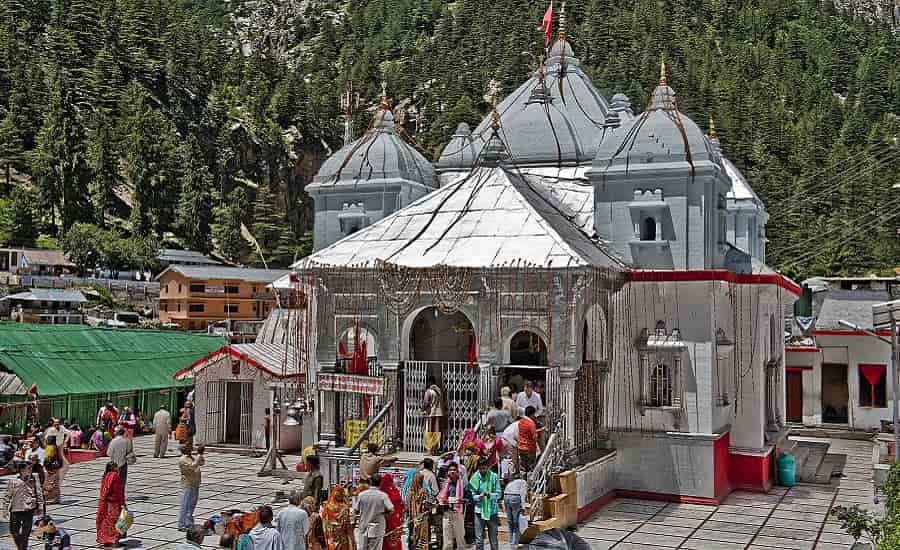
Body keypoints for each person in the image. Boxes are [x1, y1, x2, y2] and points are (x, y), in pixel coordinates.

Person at [3, 461, 44, 550]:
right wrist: (5, 509)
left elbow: (39, 493)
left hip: (29, 509)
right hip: (16, 510)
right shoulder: (13, 481)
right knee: (14, 532)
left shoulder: (34, 478)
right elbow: (7, 496)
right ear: (21, 470)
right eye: (28, 468)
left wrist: (40, 507)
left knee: (26, 534)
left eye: (31, 468)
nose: (30, 470)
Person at [354, 475, 394, 550]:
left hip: (363, 526)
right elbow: (391, 509)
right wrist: (383, 514)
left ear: (370, 482)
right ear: (380, 483)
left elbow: (356, 510)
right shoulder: (383, 496)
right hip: (377, 528)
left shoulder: (361, 495)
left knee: (362, 548)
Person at [468, 458, 500, 550]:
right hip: (479, 511)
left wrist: (490, 495)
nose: (482, 471)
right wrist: (479, 497)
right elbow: (471, 495)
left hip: (492, 511)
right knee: (479, 539)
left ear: (488, 467)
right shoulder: (474, 478)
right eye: (481, 468)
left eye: (484, 468)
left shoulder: (494, 477)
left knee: (493, 539)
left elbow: (499, 494)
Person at [95, 462, 125, 547]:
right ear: (113, 467)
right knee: (116, 521)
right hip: (114, 503)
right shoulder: (115, 476)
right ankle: (114, 541)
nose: (118, 468)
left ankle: (106, 540)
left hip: (106, 504)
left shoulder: (106, 475)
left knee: (107, 522)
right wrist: (122, 503)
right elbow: (117, 492)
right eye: (116, 466)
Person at [438, 463, 466, 550]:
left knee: (460, 538)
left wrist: (463, 500)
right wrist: (441, 501)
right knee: (447, 541)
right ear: (447, 472)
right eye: (450, 470)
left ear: (458, 472)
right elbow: (440, 496)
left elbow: (469, 498)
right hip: (446, 514)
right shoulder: (445, 484)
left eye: (454, 470)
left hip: (457, 514)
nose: (452, 471)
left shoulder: (463, 484)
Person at [178, 444, 206, 530]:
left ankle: (189, 522)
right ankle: (181, 524)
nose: (190, 450)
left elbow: (202, 462)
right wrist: (198, 455)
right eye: (188, 448)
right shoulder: (182, 459)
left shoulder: (192, 457)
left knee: (192, 505)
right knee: (185, 505)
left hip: (195, 483)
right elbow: (193, 465)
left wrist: (200, 454)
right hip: (188, 484)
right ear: (183, 450)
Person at [321, 486, 354, 550]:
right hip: (342, 539)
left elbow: (324, 523)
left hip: (331, 539)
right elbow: (348, 525)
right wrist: (352, 538)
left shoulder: (327, 507)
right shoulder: (345, 508)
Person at [405, 473, 430, 550]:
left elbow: (407, 506)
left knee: (413, 536)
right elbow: (425, 505)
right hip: (422, 518)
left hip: (412, 518)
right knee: (422, 538)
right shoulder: (423, 491)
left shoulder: (409, 491)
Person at [421, 377, 445, 455]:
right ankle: (435, 450)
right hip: (439, 413)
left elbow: (426, 402)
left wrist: (422, 409)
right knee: (437, 432)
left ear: (429, 382)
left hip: (431, 414)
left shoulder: (429, 391)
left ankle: (429, 450)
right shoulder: (439, 391)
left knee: (429, 431)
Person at [378, 474, 404, 550]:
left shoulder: (381, 492)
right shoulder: (396, 491)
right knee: (394, 541)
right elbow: (401, 506)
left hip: (385, 521)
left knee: (385, 541)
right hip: (395, 521)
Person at [503, 473, 527, 550]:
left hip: (506, 496)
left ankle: (510, 541)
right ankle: (515, 543)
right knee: (516, 521)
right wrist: (523, 506)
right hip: (514, 497)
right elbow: (522, 494)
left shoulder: (511, 483)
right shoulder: (523, 482)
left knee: (510, 521)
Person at [516, 407, 540, 474]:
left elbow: (525, 433)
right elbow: (534, 437)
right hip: (529, 449)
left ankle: (523, 482)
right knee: (531, 468)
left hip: (521, 447)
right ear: (532, 414)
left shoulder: (521, 422)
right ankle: (530, 483)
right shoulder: (531, 424)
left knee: (523, 468)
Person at [42, 436, 64, 505]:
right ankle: (56, 498)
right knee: (55, 483)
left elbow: (47, 458)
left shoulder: (50, 448)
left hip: (51, 469)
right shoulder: (56, 447)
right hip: (56, 468)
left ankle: (51, 499)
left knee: (50, 484)